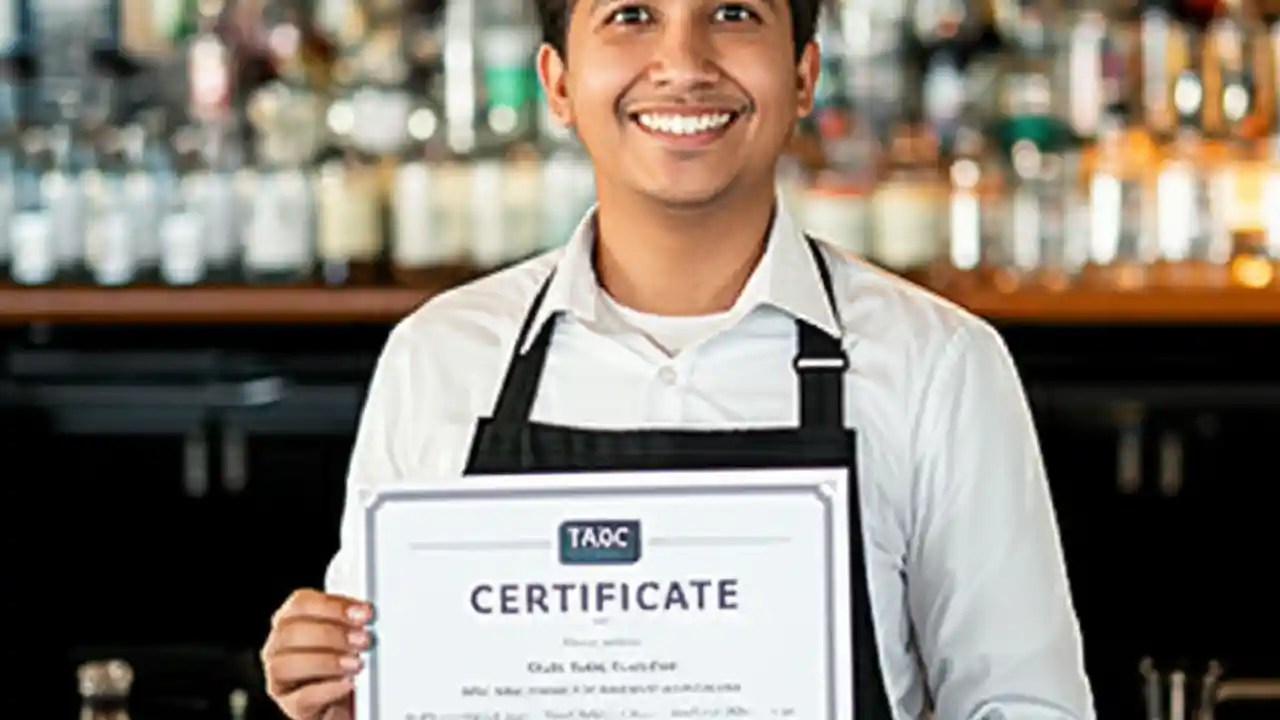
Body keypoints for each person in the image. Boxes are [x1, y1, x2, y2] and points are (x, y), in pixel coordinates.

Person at [260, 0, 1096, 718]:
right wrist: (338, 689)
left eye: (733, 13)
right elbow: (396, 681)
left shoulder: (938, 366)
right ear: (557, 82)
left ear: (804, 75)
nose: (684, 63)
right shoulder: (440, 359)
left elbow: (1024, 705)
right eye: (631, 15)